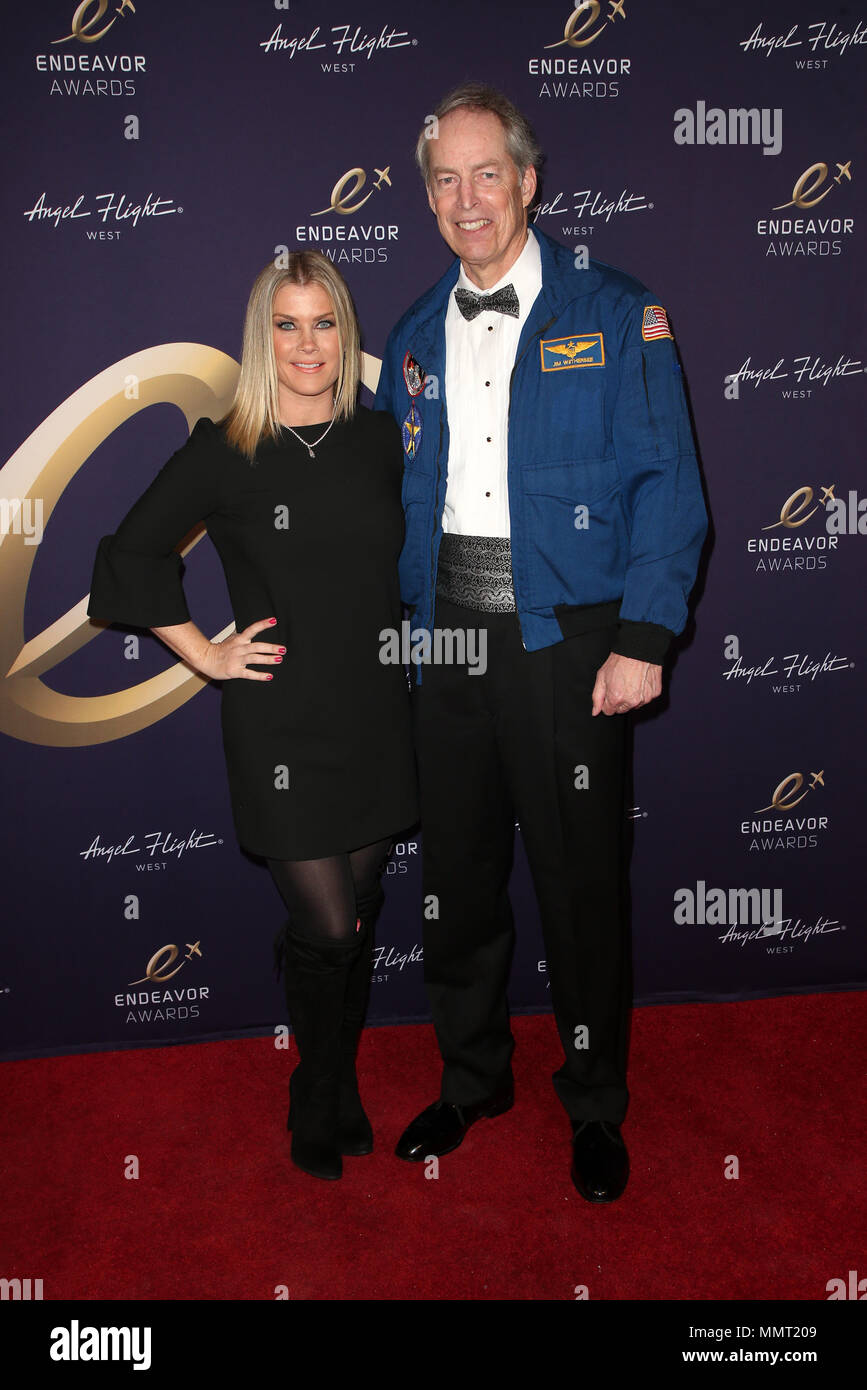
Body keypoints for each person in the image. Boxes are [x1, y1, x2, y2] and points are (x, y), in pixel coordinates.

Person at [373, 83, 707, 1201]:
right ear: (428, 199)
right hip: (450, 641)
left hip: (569, 641)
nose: (468, 200)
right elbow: (401, 506)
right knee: (459, 882)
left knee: (579, 886)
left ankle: (595, 1100)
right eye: (445, 180)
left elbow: (670, 485)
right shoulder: (415, 336)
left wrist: (646, 636)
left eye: (487, 174)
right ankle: (473, 1079)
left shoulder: (618, 312)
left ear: (528, 179)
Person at [88, 251, 419, 1181]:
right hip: (280, 724)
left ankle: (338, 1078)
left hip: (373, 712)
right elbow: (129, 555)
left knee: (360, 910)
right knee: (326, 929)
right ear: (262, 337)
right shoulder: (223, 445)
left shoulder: (381, 439)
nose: (307, 344)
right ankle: (314, 1092)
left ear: (343, 333)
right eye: (287, 324)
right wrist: (206, 653)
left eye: (322, 324)